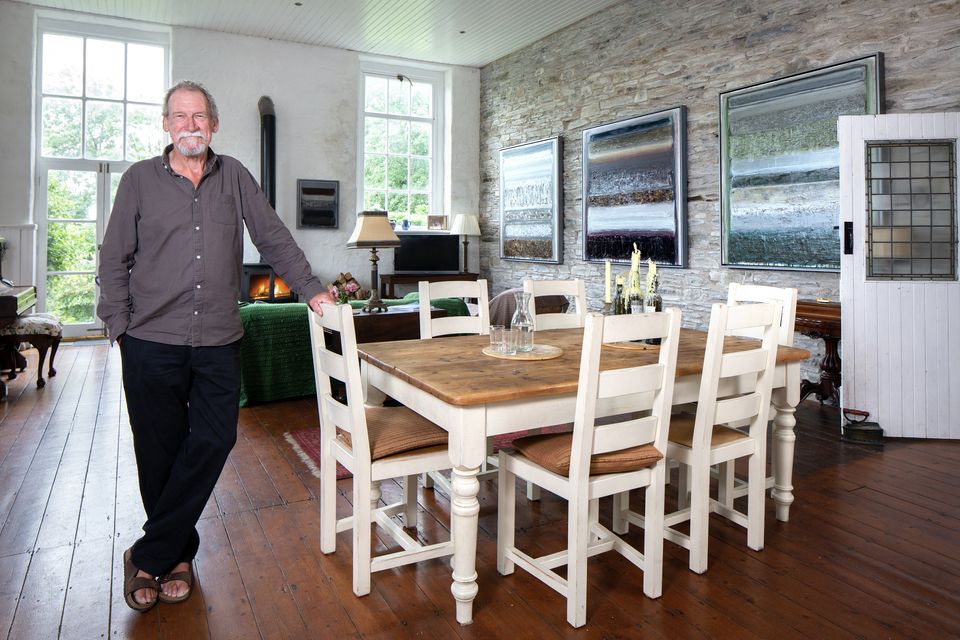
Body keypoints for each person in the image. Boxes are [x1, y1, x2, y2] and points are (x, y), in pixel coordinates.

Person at [97, 80, 334, 612]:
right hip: (150, 339)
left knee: (214, 439)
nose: (190, 125)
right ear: (166, 125)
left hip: (218, 340)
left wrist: (312, 290)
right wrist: (118, 327)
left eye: (199, 116)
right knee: (156, 453)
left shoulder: (236, 178)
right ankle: (177, 558)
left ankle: (148, 552)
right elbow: (113, 257)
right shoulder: (138, 180)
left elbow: (272, 235)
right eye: (179, 116)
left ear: (214, 124)